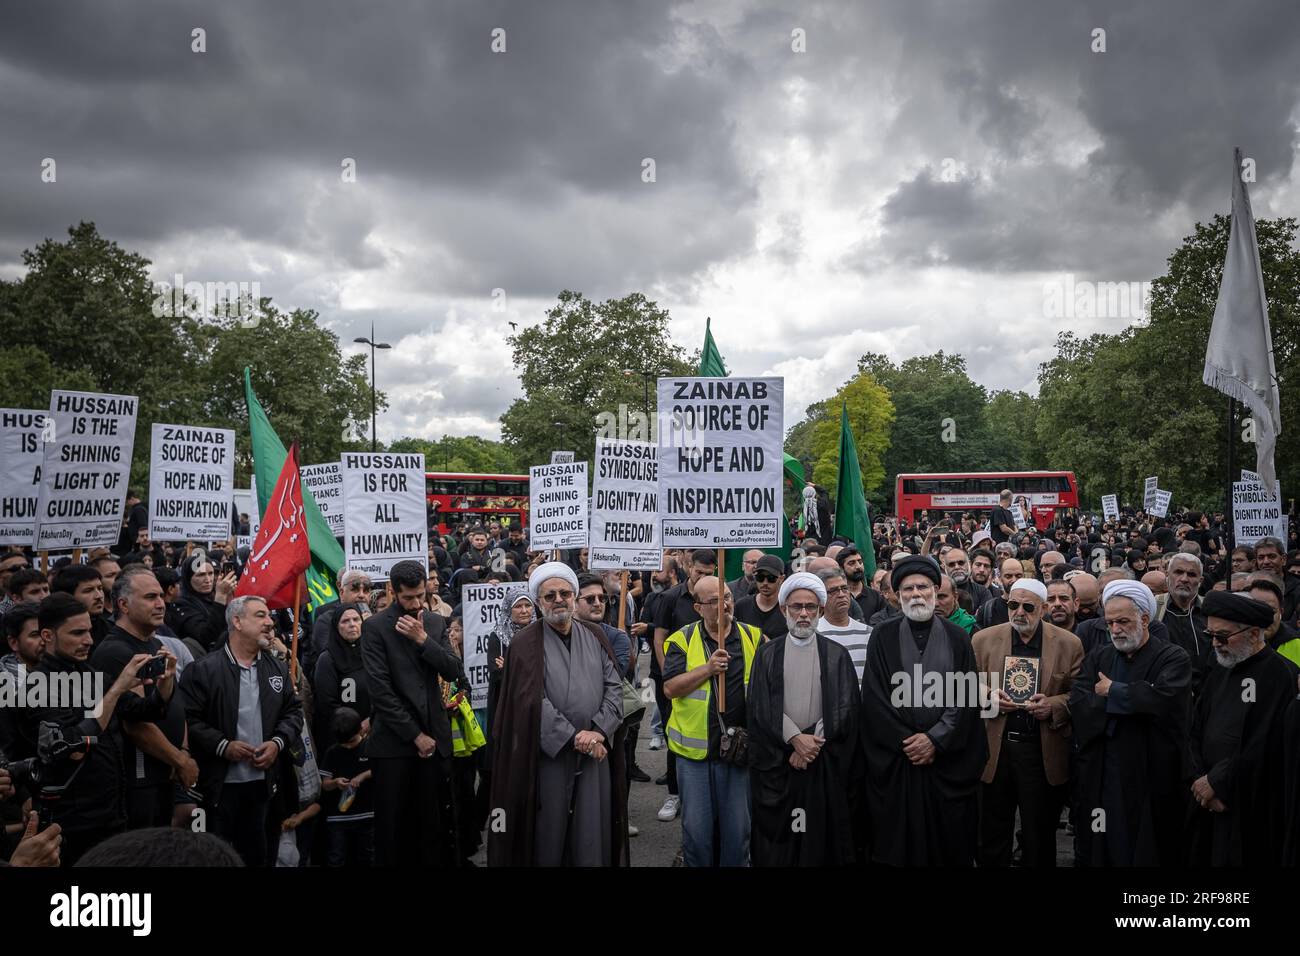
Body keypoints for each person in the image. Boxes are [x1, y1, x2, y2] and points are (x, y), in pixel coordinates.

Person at [487, 562, 626, 866]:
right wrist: (575, 737)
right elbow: (529, 701)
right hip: (548, 758)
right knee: (548, 835)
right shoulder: (523, 644)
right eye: (550, 596)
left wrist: (599, 731)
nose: (559, 600)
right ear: (539, 602)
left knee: (592, 834)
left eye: (565, 593)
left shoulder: (596, 635)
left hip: (595, 754)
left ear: (574, 597)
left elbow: (614, 688)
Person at [22, 594, 175, 865]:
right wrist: (116, 689)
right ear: (47, 635)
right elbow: (72, 747)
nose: (89, 641)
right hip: (72, 824)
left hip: (112, 815)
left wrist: (165, 683)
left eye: (90, 631)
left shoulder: (89, 673)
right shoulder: (38, 685)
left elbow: (144, 712)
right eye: (77, 633)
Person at [859, 556, 987, 865]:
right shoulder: (882, 636)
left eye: (923, 587)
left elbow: (965, 696)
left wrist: (936, 739)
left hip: (946, 762)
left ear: (935, 590)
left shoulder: (958, 637)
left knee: (948, 847)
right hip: (899, 763)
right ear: (897, 595)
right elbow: (875, 698)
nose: (916, 594)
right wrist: (909, 740)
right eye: (908, 588)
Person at [1069, 579, 1191, 866]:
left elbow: (1164, 701)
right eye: (1110, 622)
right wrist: (1134, 700)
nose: (1115, 629)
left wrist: (1114, 691)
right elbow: (1079, 701)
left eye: (1123, 621)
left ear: (1145, 619)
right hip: (1105, 767)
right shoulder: (1101, 655)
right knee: (1102, 841)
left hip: (1150, 769)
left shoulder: (1172, 657)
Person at [181, 595, 303, 867]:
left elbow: (293, 712)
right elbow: (188, 720)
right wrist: (223, 745)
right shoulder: (202, 670)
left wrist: (277, 743)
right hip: (216, 789)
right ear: (236, 621)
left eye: (270, 616)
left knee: (259, 857)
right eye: (260, 616)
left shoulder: (277, 668)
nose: (270, 623)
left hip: (264, 787)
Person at [748, 571, 861, 866]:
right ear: (784, 609)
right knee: (782, 844)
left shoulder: (836, 654)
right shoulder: (767, 654)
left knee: (820, 839)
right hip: (780, 762)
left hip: (822, 762)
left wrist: (812, 744)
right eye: (796, 607)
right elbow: (760, 703)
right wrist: (795, 739)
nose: (803, 614)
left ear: (820, 611)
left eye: (810, 607)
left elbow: (844, 705)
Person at [360, 560, 465, 867]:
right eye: (408, 598)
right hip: (395, 744)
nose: (416, 603)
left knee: (433, 827)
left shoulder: (433, 623)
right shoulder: (375, 627)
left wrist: (423, 640)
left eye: (421, 595)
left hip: (435, 740)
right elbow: (380, 691)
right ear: (393, 592)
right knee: (394, 830)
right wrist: (415, 736)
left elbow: (453, 669)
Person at [972, 579, 1083, 867]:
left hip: (1041, 752)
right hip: (996, 752)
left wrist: (1054, 705)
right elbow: (968, 684)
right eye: (1012, 605)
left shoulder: (1069, 644)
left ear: (1044, 609)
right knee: (991, 836)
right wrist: (988, 696)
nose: (1019, 612)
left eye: (1028, 606)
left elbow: (1080, 693)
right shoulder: (983, 639)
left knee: (1039, 837)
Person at [1186, 590, 1299, 865]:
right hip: (1204, 796)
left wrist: (1218, 783)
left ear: (1253, 633)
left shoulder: (1280, 674)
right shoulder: (1222, 666)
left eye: (1222, 636)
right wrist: (1200, 778)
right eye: (1210, 636)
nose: (1215, 644)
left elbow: (1264, 742)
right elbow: (1196, 727)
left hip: (1248, 803)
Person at [662, 575, 760, 867]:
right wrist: (707, 668)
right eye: (714, 601)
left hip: (738, 751)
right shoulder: (681, 639)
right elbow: (670, 689)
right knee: (697, 833)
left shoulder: (753, 636)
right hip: (694, 756)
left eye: (727, 597)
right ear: (697, 607)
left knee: (738, 831)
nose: (724, 605)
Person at [90, 567, 196, 830]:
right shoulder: (115, 651)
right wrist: (180, 760)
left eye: (161, 595)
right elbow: (136, 723)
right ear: (123, 605)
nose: (160, 603)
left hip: (165, 771)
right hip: (139, 778)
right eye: (150, 597)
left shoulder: (156, 645)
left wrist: (181, 751)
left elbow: (175, 703)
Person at [650, 549, 716, 822]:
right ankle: (674, 794)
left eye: (709, 574)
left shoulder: (717, 596)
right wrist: (671, 676)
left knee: (701, 733)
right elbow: (659, 638)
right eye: (699, 572)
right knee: (674, 733)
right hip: (674, 679)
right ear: (689, 567)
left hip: (707, 678)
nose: (703, 577)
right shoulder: (670, 598)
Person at [313, 603, 370, 750]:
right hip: (344, 737)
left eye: (356, 619)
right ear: (336, 627)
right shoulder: (327, 659)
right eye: (345, 621)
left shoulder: (372, 652)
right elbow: (327, 703)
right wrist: (354, 729)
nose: (352, 624)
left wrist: (373, 720)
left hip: (374, 729)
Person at [815, 567, 873, 686]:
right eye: (833, 591)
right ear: (821, 596)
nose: (841, 594)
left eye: (844, 588)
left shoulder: (868, 633)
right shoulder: (815, 633)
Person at [1161, 552, 1210, 689]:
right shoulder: (1154, 608)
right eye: (1178, 572)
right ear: (1167, 575)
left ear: (1200, 581)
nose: (1184, 579)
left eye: (1191, 575)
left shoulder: (1210, 610)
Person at [174, 557, 237, 653]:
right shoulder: (181, 604)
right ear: (188, 577)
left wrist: (230, 600)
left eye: (211, 573)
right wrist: (220, 599)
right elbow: (207, 636)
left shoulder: (213, 596)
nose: (208, 580)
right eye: (200, 575)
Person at [733, 554, 788, 641]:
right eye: (760, 577)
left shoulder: (788, 608)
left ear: (781, 579)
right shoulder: (741, 606)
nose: (765, 583)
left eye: (771, 578)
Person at [837, 545, 884, 621]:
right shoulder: (838, 596)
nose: (858, 566)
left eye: (860, 562)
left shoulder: (876, 597)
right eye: (852, 563)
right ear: (841, 568)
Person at [943, 548, 991, 612]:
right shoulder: (938, 591)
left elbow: (985, 618)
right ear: (944, 567)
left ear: (969, 564)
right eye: (951, 564)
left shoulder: (983, 592)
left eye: (961, 563)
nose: (957, 567)